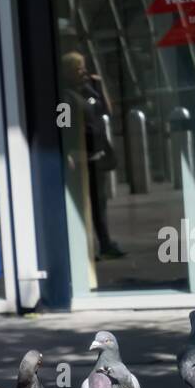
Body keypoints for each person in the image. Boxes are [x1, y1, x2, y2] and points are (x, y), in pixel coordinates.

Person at [61, 51, 125, 261]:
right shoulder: (64, 96)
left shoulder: (88, 90)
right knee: (82, 204)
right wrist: (67, 153)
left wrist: (99, 85)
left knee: (99, 203)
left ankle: (105, 242)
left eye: (83, 67)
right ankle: (83, 245)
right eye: (78, 68)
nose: (83, 71)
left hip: (97, 155)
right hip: (80, 157)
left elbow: (106, 109)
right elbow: (62, 127)